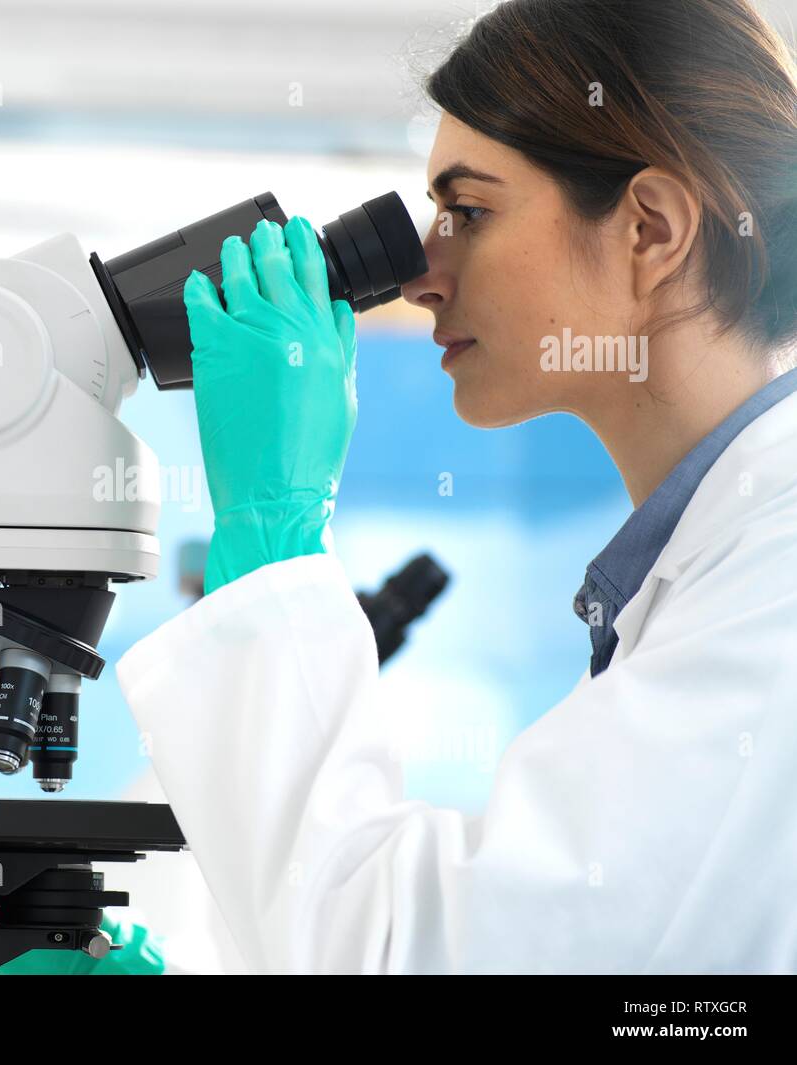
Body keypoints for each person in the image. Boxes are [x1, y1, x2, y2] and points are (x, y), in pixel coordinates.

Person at [116, 0, 797, 973]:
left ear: (648, 229)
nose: (421, 276)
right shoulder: (716, 560)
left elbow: (408, 953)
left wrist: (272, 534)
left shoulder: (774, 581)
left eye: (467, 212)